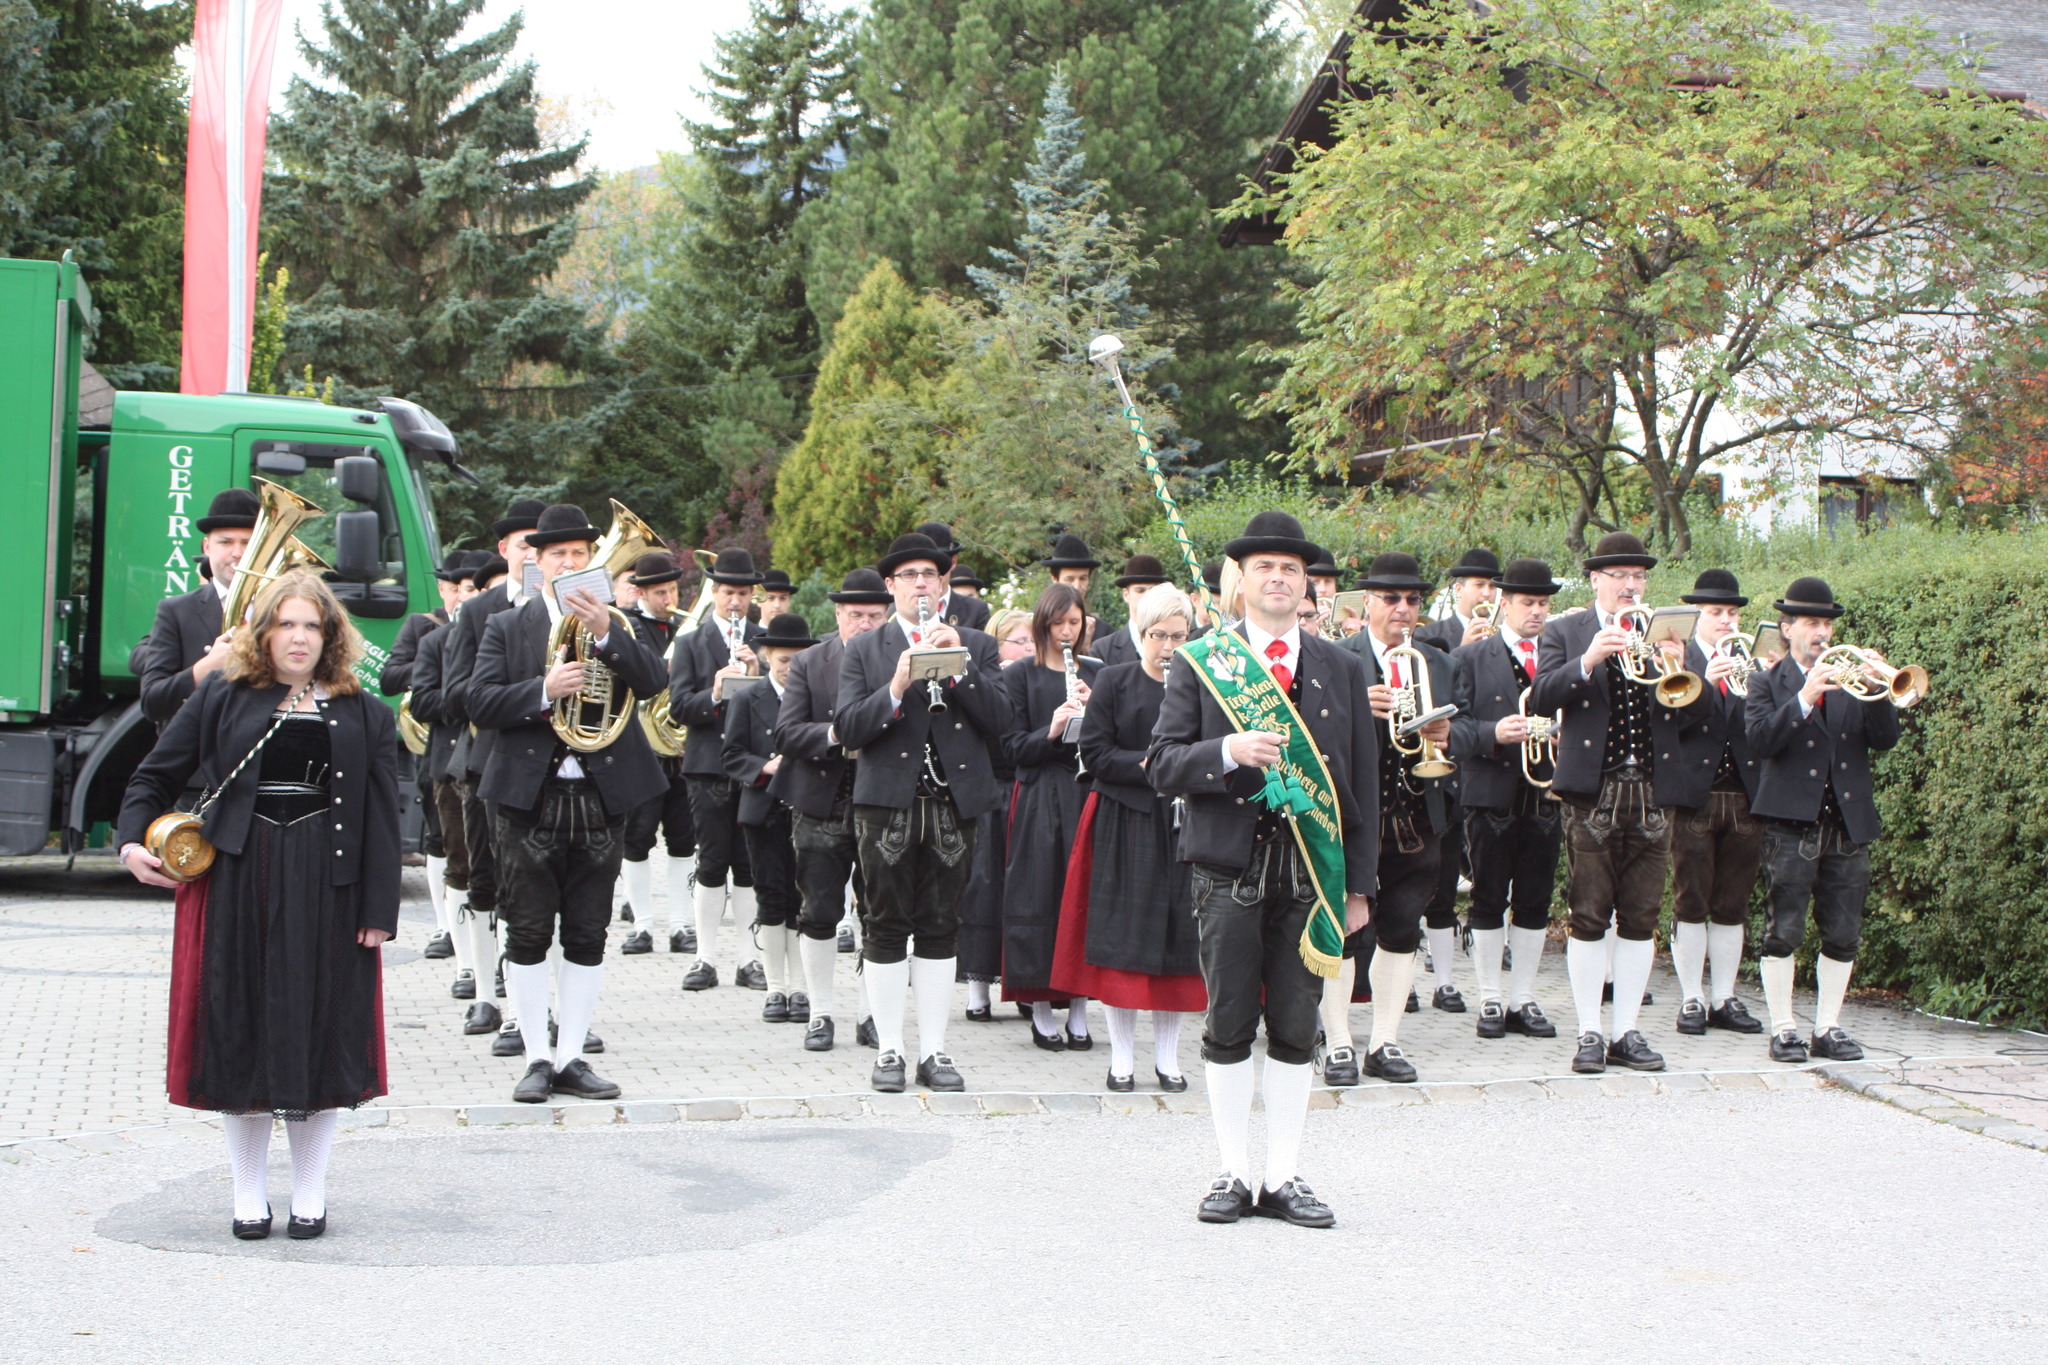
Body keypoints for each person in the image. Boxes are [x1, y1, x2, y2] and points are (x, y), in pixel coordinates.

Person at [117, 570, 399, 1241]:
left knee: (323, 1032)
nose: (299, 637)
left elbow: (387, 816)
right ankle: (247, 1193)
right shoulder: (220, 693)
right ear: (262, 630)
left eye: (312, 625)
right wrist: (131, 840)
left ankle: (310, 1188)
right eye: (286, 623)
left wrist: (380, 908)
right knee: (238, 1030)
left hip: (330, 891)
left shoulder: (366, 708)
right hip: (237, 880)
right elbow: (153, 773)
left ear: (330, 635)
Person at [1149, 511, 1379, 1229]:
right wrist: (1225, 754)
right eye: (1264, 567)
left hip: (1312, 874)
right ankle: (1232, 1169)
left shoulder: (1343, 665)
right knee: (1226, 1024)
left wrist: (1360, 886)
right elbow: (1160, 764)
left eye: (1290, 567)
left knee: (1294, 1023)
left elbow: (1363, 783)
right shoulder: (1202, 663)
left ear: (1305, 584)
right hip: (1227, 868)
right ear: (1240, 582)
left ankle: (1281, 1173)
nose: (1278, 578)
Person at [469, 504, 670, 1103]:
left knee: (589, 931)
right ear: (537, 561)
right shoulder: (509, 626)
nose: (571, 562)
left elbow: (655, 681)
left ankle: (573, 1055)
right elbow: (477, 702)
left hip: (601, 794)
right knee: (526, 931)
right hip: (528, 798)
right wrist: (542, 690)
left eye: (580, 554)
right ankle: (535, 1056)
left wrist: (609, 633)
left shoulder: (620, 624)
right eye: (558, 554)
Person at [1529, 531, 1714, 1074]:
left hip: (1655, 795)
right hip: (1593, 794)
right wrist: (1587, 660)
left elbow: (1703, 717)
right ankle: (1589, 1031)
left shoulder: (1670, 631)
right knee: (1588, 915)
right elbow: (1541, 697)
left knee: (1640, 917)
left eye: (1639, 577)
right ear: (1596, 581)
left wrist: (1684, 666)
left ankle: (1626, 1031)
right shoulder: (1566, 629)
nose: (1632, 586)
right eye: (1621, 577)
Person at [836, 532, 1011, 1093]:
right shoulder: (865, 649)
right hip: (886, 805)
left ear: (943, 584)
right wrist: (896, 683)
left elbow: (1003, 721)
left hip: (954, 803)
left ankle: (934, 1051)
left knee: (941, 927)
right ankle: (889, 1049)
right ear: (890, 587)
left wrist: (957, 667)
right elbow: (847, 728)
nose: (920, 584)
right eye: (908, 576)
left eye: (929, 575)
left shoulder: (977, 644)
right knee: (885, 926)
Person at [1052, 582, 1204, 1090]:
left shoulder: (1202, 682)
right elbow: (1094, 755)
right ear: (1140, 634)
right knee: (1124, 945)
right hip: (1125, 820)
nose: (1168, 647)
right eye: (1158, 634)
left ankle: (1168, 1059)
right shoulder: (1114, 681)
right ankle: (1121, 1059)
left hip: (1184, 823)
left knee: (1177, 946)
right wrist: (1148, 765)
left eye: (1178, 636)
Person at [1745, 577, 1902, 1064]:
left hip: (1847, 825)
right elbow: (1760, 741)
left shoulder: (1851, 678)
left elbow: (1885, 740)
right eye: (1812, 623)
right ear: (1787, 629)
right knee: (1783, 930)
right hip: (1792, 823)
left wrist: (1879, 690)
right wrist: (1804, 699)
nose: (1823, 632)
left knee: (1843, 932)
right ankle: (1784, 1028)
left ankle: (1828, 1027)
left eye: (1827, 623)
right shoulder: (1766, 681)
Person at [1326, 553, 1467, 1084]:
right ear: (1367, 605)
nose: (1403, 610)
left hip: (1417, 814)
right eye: (1391, 600)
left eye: (1411, 601)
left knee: (1403, 926)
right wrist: (1355, 709)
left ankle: (1384, 1042)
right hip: (1352, 815)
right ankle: (1338, 1041)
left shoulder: (1442, 663)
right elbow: (1305, 732)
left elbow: (1474, 729)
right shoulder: (1336, 659)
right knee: (1340, 927)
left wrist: (1449, 735)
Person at [773, 569, 893, 1050]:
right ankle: (820, 1012)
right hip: (821, 799)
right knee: (819, 910)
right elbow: (786, 732)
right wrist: (837, 736)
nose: (864, 624)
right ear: (838, 616)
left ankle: (871, 1013)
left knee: (881, 913)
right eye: (855, 615)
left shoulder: (898, 661)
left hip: (882, 798)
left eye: (873, 616)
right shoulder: (809, 661)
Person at [444, 499, 546, 1057]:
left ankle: (538, 1009)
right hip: (491, 762)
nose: (533, 552)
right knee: (487, 881)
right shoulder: (478, 613)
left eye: (542, 544)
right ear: (504, 549)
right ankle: (489, 994)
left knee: (539, 891)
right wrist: (529, 690)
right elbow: (458, 692)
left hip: (557, 770)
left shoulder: (573, 607)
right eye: (524, 543)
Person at [1451, 558, 1566, 1040]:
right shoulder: (1472, 657)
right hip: (1491, 790)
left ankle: (1523, 996)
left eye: (1542, 603)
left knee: (1536, 899)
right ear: (1504, 603)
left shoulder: (1562, 657)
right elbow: (1451, 729)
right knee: (1488, 897)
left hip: (1545, 792)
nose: (1536, 611)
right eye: (1527, 603)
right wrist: (1493, 731)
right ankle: (1490, 997)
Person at [1665, 569, 1768, 1037]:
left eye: (1731, 612)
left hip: (1744, 794)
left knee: (1732, 901)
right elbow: (1669, 723)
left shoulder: (1753, 662)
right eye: (1715, 613)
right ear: (1697, 617)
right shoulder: (1676, 659)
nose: (1726, 620)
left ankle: (1724, 996)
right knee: (1691, 897)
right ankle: (1691, 997)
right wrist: (1704, 681)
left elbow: (1767, 727)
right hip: (1694, 794)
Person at [1001, 584, 1102, 1049]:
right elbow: (1011, 747)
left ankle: (1079, 1008)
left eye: (1074, 623)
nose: (1066, 632)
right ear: (1043, 624)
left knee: (1083, 898)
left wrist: (1093, 706)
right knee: (1039, 894)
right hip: (1041, 792)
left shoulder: (1097, 671)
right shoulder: (1021, 673)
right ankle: (1040, 1007)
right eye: (1058, 623)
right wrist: (1055, 728)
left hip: (1085, 794)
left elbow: (1112, 740)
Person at [669, 547, 767, 991]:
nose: (734, 601)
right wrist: (715, 693)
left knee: (749, 865)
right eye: (728, 592)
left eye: (743, 593)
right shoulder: (690, 643)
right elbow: (678, 708)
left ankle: (750, 958)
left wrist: (758, 674)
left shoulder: (763, 641)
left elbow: (786, 704)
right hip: (708, 766)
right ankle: (705, 958)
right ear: (713, 592)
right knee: (710, 862)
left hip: (752, 765)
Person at [381, 549, 476, 961]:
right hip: (438, 745)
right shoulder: (423, 628)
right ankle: (444, 925)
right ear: (443, 589)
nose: (460, 596)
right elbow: (388, 679)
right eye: (453, 588)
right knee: (440, 839)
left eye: (468, 588)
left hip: (480, 750)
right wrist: (432, 658)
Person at [405, 555, 489, 1018]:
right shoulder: (436, 640)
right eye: (468, 590)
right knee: (459, 863)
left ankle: (494, 961)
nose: (473, 597)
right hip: (450, 762)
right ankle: (467, 964)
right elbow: (423, 701)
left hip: (492, 765)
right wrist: (475, 695)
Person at [725, 612, 817, 1024]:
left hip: (806, 809)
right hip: (763, 809)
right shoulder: (747, 698)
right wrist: (764, 767)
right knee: (770, 898)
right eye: (783, 659)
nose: (790, 667)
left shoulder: (817, 697)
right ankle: (776, 987)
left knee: (804, 901)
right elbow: (730, 756)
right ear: (766, 657)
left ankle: (802, 989)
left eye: (799, 659)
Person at [618, 552, 699, 958]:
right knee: (636, 839)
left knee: (684, 841)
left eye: (672, 589)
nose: (669, 597)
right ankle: (643, 925)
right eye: (660, 592)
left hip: (681, 753)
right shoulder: (627, 627)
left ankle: (682, 925)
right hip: (641, 750)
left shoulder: (686, 628)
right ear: (640, 593)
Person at [959, 605, 1032, 1015]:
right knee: (982, 887)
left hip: (1027, 791)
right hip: (990, 791)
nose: (1028, 649)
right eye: (1019, 641)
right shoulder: (987, 679)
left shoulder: (1039, 678)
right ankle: (978, 987)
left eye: (1031, 641)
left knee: (1024, 890)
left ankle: (1022, 980)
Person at [139, 487, 260, 727]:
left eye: (248, 542)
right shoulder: (175, 611)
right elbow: (152, 703)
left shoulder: (283, 610)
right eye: (225, 542)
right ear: (206, 547)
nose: (237, 552)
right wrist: (204, 668)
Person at [1094, 555, 1175, 669]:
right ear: (1126, 594)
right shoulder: (1103, 649)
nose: (1147, 596)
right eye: (1140, 590)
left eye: (1153, 590)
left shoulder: (1180, 643)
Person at [915, 523, 991, 631]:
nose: (931, 572)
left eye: (939, 563)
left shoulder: (976, 610)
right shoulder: (897, 611)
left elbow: (983, 647)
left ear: (953, 562)